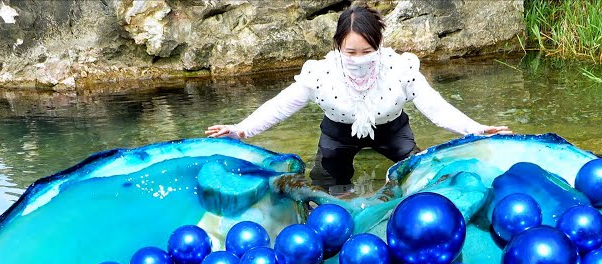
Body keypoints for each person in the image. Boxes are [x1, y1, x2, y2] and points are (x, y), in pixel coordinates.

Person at [206, 3, 509, 190]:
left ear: (379, 45)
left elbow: (435, 106)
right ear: (338, 46)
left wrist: (476, 130)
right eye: (351, 52)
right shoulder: (320, 74)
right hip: (338, 134)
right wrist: (241, 129)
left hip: (392, 130)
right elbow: (280, 106)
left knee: (418, 174)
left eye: (367, 51)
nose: (359, 58)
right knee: (325, 185)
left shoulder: (399, 69)